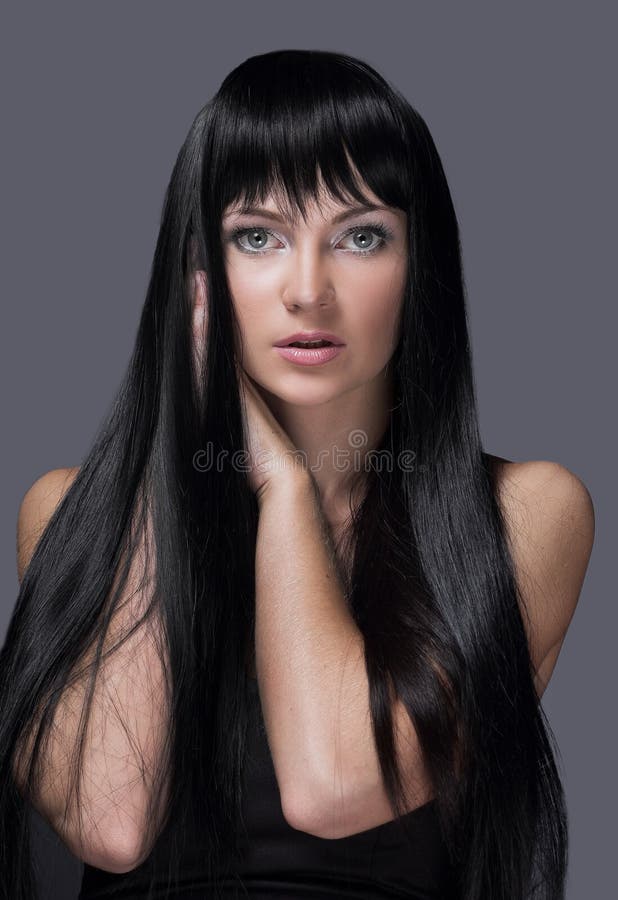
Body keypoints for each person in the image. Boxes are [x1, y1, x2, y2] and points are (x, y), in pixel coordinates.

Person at [0, 49, 594, 900]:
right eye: (258, 237)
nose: (308, 289)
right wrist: (178, 454)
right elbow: (111, 818)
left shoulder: (524, 512)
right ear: (198, 273)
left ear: (418, 266)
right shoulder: (68, 512)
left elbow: (332, 783)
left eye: (360, 236)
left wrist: (283, 487)